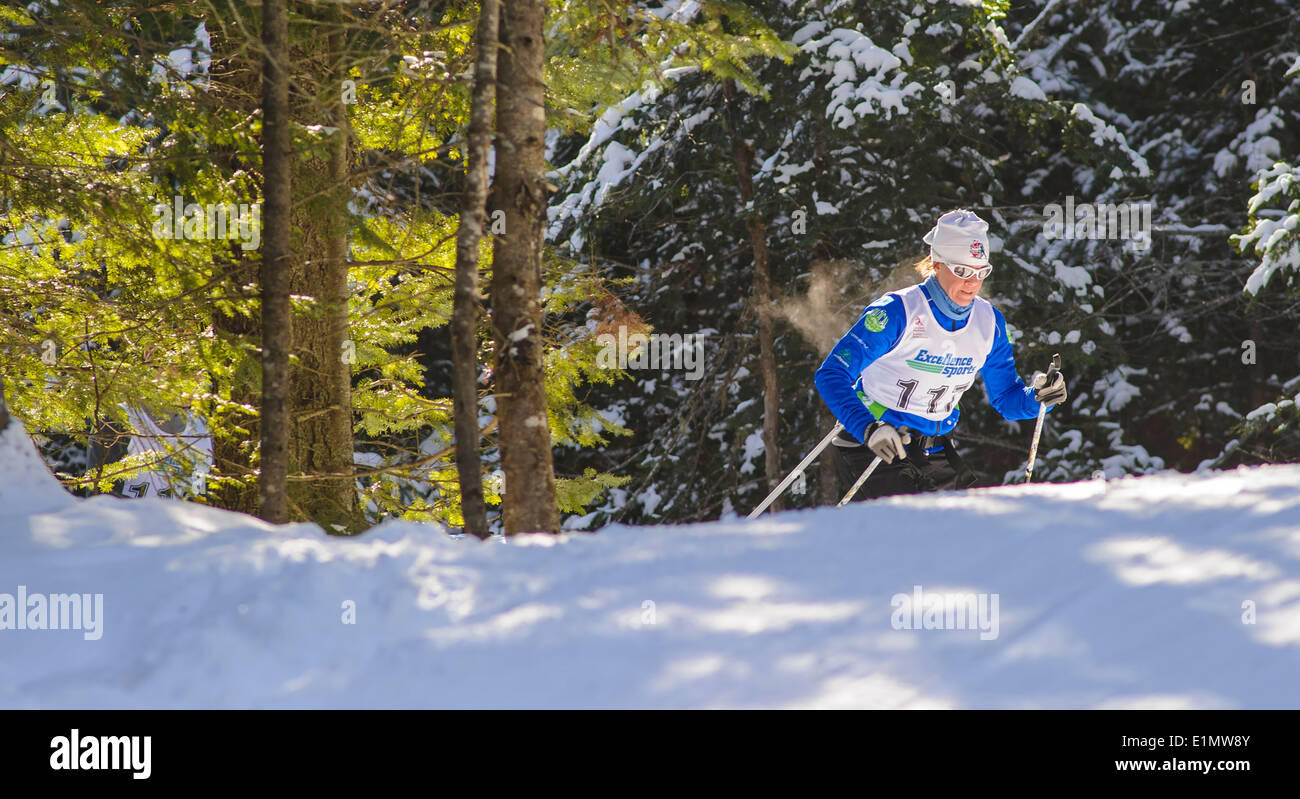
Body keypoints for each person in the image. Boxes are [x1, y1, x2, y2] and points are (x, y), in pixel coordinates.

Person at [814, 209, 1067, 501]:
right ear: (936, 264)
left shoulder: (989, 323)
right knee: (913, 535)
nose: (972, 282)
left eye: (981, 272)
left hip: (933, 450)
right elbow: (831, 375)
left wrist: (1038, 397)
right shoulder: (898, 312)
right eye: (961, 271)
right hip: (874, 446)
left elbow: (1007, 399)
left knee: (971, 533)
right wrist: (869, 428)